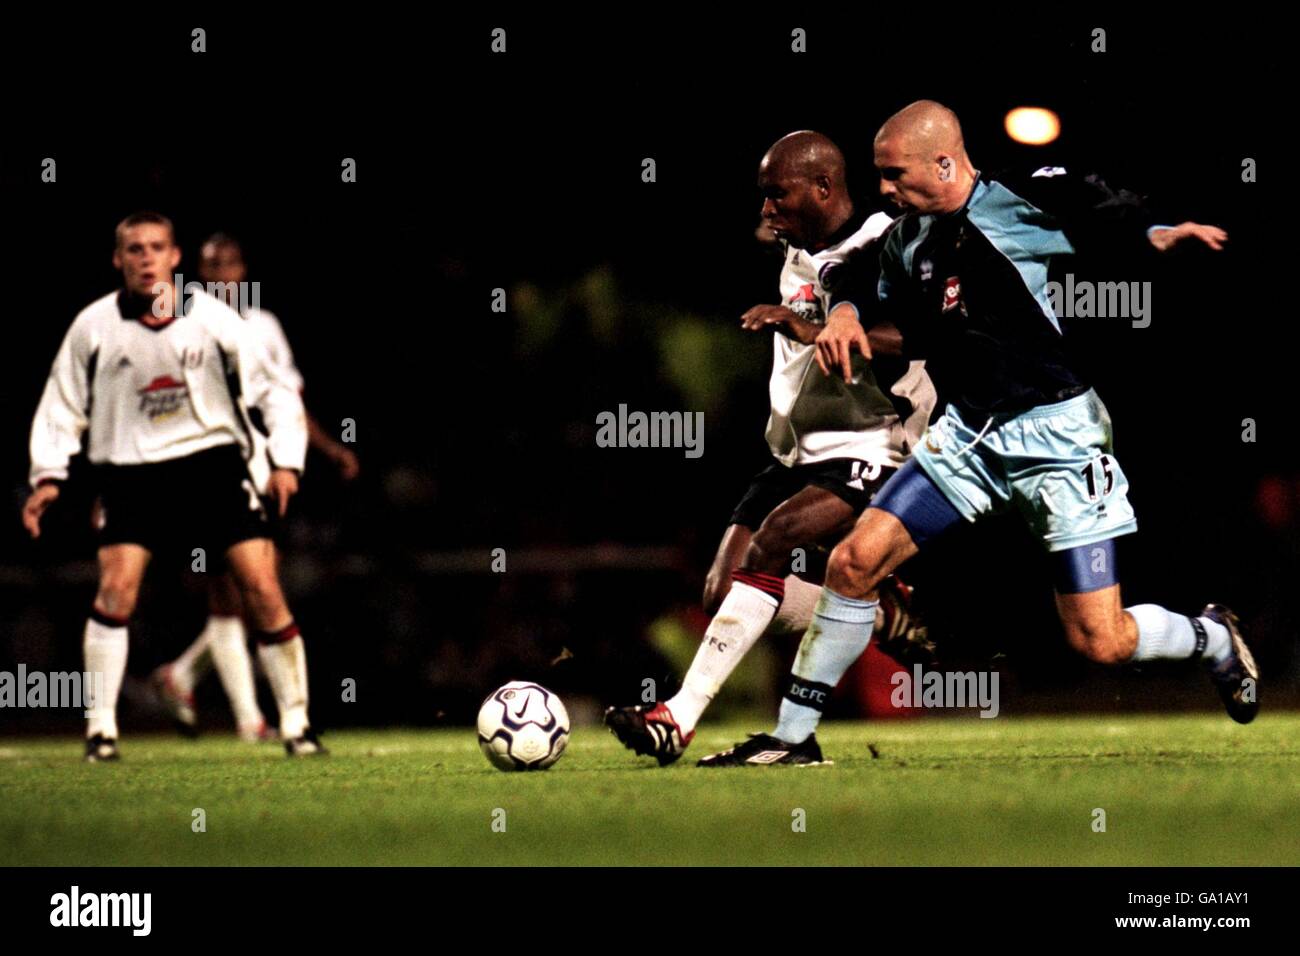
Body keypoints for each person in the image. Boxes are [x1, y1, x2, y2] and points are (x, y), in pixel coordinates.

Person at [699, 101, 1252, 767]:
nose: (883, 189)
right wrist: (842, 311)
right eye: (879, 175)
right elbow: (848, 271)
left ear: (944, 162)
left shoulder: (1014, 201)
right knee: (852, 565)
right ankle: (792, 738)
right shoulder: (910, 239)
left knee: (1101, 640)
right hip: (966, 441)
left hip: (1057, 442)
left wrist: (1157, 231)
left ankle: (1213, 638)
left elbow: (1095, 201)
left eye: (894, 174)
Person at [605, 131, 936, 765]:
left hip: (874, 436)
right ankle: (878, 612)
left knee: (776, 540)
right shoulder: (794, 237)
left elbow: (916, 335)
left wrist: (814, 327)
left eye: (776, 195)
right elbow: (773, 238)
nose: (766, 210)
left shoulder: (882, 244)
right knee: (723, 590)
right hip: (794, 445)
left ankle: (677, 718)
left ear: (822, 187)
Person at [22, 212, 326, 760]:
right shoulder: (92, 325)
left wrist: (286, 462)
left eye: (156, 248)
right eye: (134, 249)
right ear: (118, 259)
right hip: (130, 474)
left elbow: (276, 393)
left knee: (261, 588)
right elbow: (59, 403)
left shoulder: (214, 319)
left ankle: (297, 726)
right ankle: (101, 731)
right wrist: (48, 476)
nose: (145, 259)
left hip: (212, 467)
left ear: (175, 257)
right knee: (116, 591)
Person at [150, 233, 358, 742]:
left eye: (228, 264)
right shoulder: (176, 322)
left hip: (261, 465)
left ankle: (186, 677)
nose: (220, 273)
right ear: (197, 272)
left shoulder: (262, 325)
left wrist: (324, 449)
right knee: (234, 584)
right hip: (201, 466)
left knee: (256, 583)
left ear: (243, 270)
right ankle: (248, 718)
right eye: (210, 265)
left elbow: (286, 397)